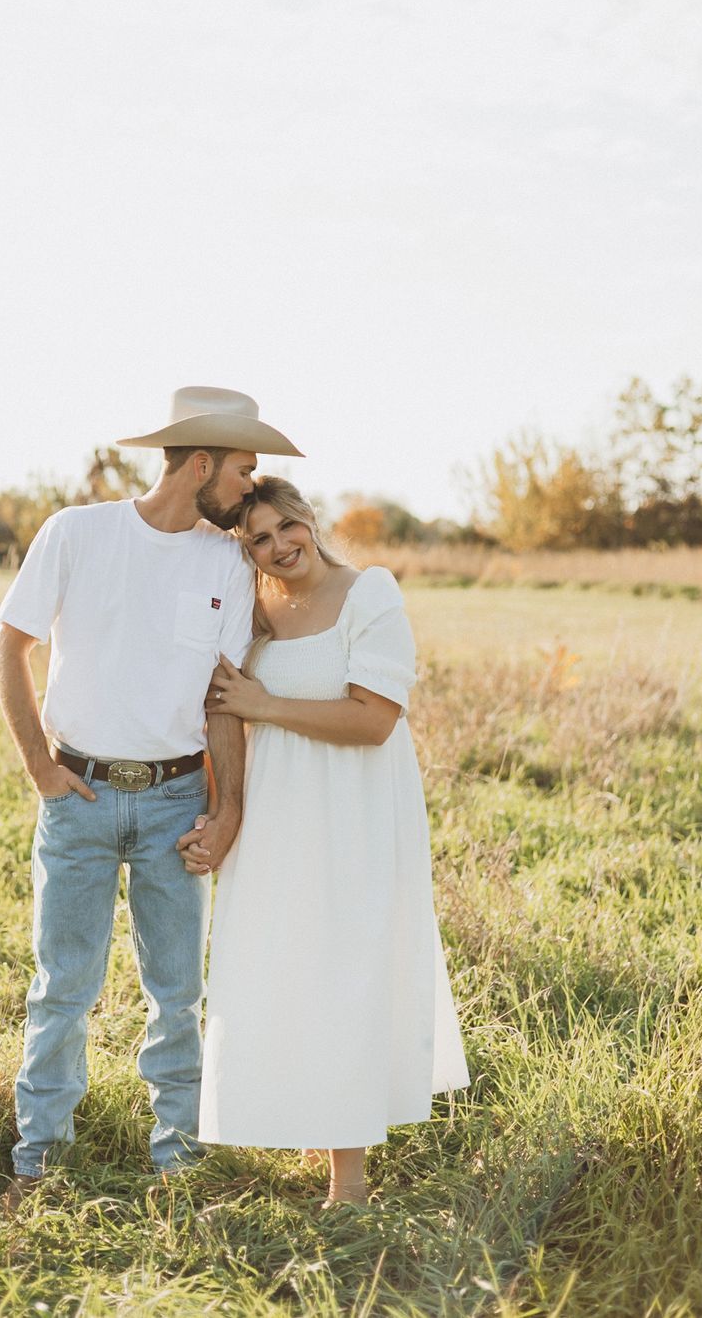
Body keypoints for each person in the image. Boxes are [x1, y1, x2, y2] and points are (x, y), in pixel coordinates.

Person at [0, 388, 302, 1209]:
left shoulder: (225, 562)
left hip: (174, 801)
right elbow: (7, 649)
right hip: (79, 795)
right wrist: (40, 769)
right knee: (63, 984)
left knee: (177, 990)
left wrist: (226, 810)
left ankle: (178, 1150)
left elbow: (222, 698)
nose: (249, 488)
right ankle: (41, 1151)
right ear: (200, 464)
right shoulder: (75, 532)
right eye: (243, 470)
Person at [179, 477, 469, 1205]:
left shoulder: (369, 592)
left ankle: (350, 1179)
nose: (280, 547)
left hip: (353, 812)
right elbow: (221, 705)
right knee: (289, 961)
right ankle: (308, 1118)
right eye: (259, 540)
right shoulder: (257, 609)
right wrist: (226, 808)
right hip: (281, 812)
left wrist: (265, 704)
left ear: (310, 519)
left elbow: (374, 719)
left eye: (286, 528)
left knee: (344, 969)